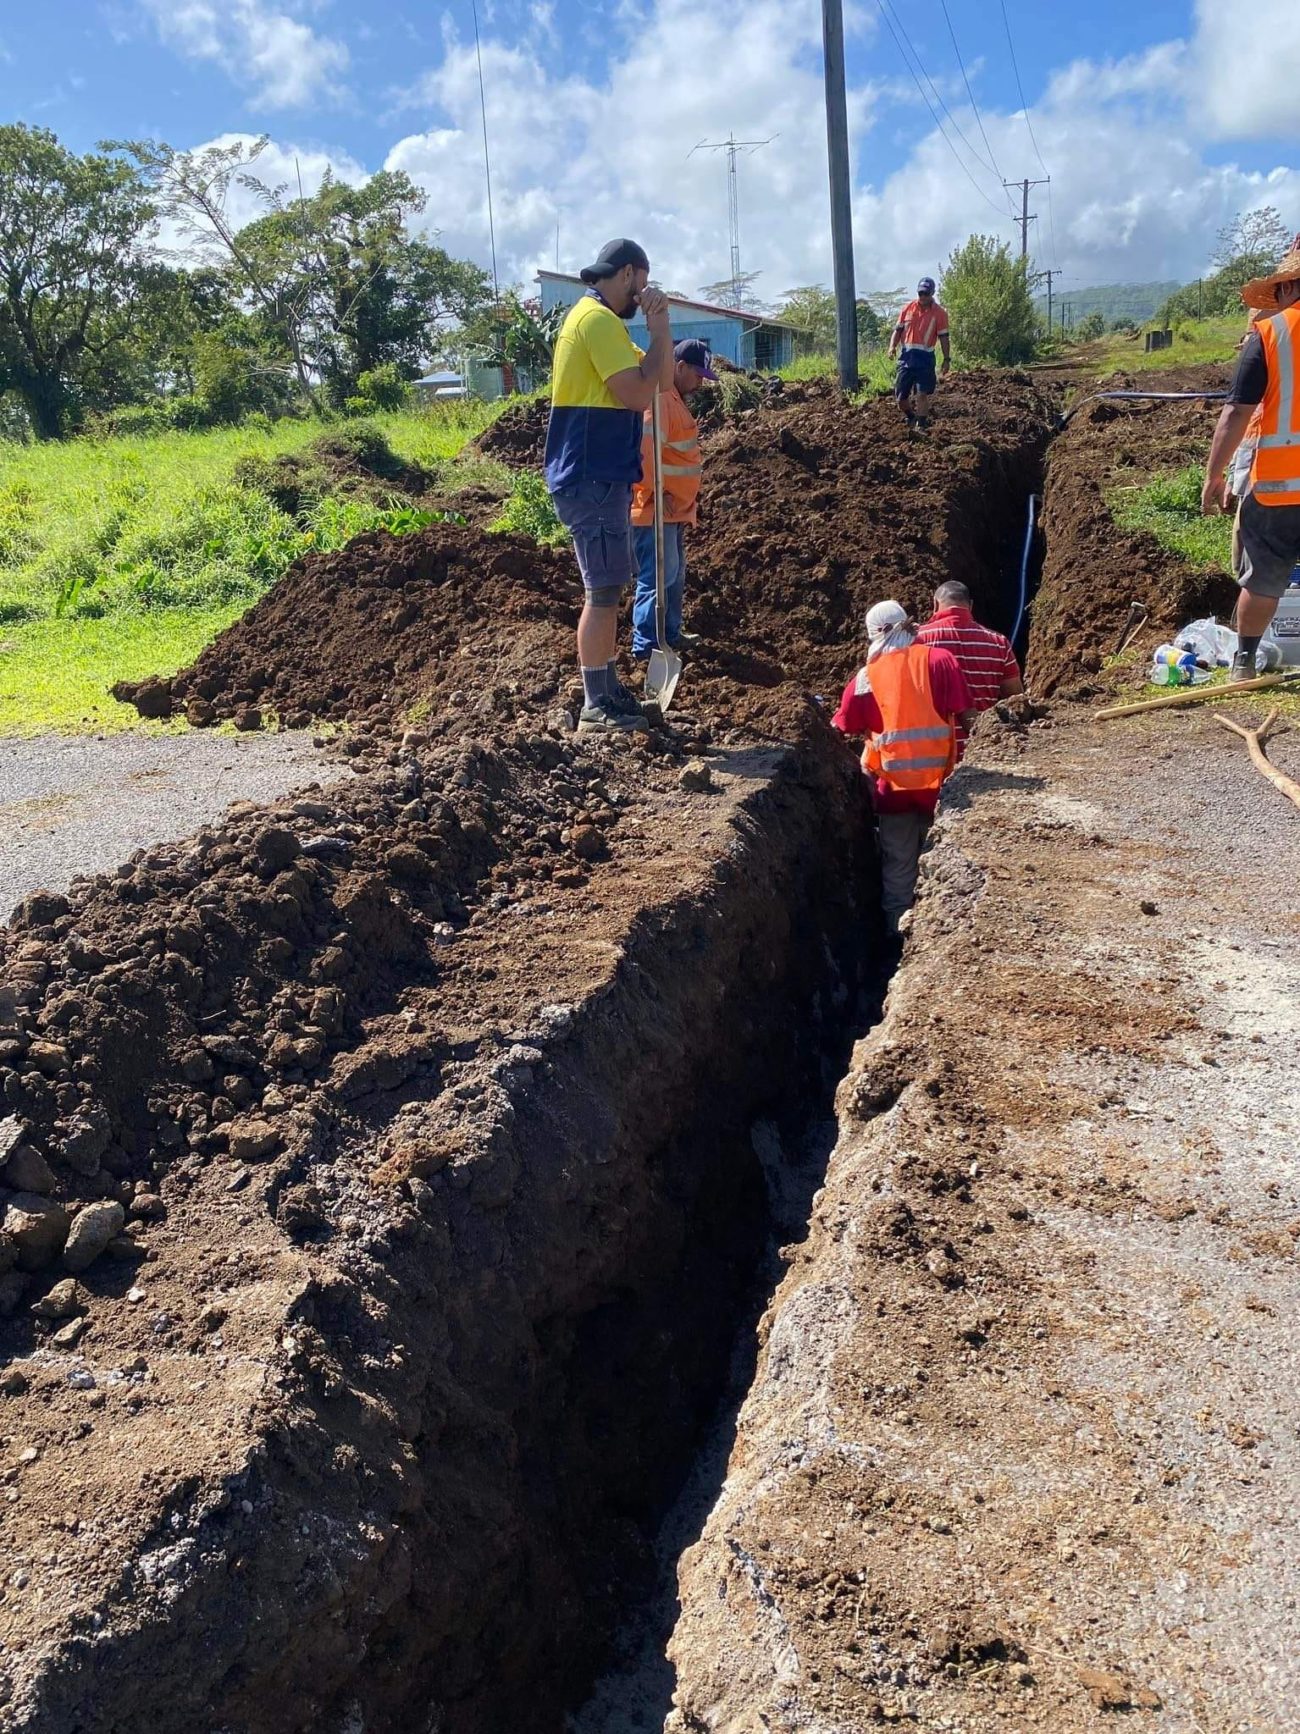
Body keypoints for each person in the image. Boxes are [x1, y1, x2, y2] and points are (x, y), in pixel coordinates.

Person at [544, 238, 674, 733]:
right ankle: (596, 704)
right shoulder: (596, 320)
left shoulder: (601, 322)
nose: (642, 295)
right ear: (626, 274)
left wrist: (660, 329)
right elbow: (640, 392)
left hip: (602, 473)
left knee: (610, 584)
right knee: (602, 590)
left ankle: (608, 690)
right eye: (641, 284)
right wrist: (657, 330)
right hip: (591, 472)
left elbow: (660, 380)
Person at [832, 600, 975, 936]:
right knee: (942, 866)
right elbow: (969, 720)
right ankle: (935, 937)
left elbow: (838, 730)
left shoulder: (865, 678)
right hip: (942, 790)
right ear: (908, 626)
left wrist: (859, 771)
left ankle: (898, 941)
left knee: (898, 867)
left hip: (891, 793)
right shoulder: (940, 661)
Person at [1201, 234, 1300, 683]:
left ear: (1285, 287)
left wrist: (1215, 475)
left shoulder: (1271, 334)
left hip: (1280, 484)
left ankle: (1243, 663)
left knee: (1263, 576)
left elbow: (1237, 412)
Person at [629, 338, 715, 662]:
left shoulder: (675, 399)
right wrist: (656, 492)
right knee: (657, 577)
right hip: (656, 509)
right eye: (698, 374)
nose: (701, 382)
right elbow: (646, 452)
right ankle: (646, 646)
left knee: (674, 573)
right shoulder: (661, 400)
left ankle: (672, 632)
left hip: (675, 510)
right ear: (679, 367)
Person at [916, 580, 1022, 758]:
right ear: (970, 606)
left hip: (933, 757)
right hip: (981, 752)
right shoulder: (999, 642)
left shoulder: (918, 641)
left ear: (934, 604)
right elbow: (1016, 699)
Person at [888, 277, 951, 428]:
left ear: (932, 293)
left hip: (925, 359)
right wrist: (892, 347)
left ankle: (921, 425)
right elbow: (897, 331)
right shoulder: (907, 309)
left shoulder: (940, 313)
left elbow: (944, 338)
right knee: (900, 398)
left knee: (921, 394)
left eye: (926, 293)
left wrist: (947, 359)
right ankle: (911, 416)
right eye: (920, 293)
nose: (923, 297)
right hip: (906, 358)